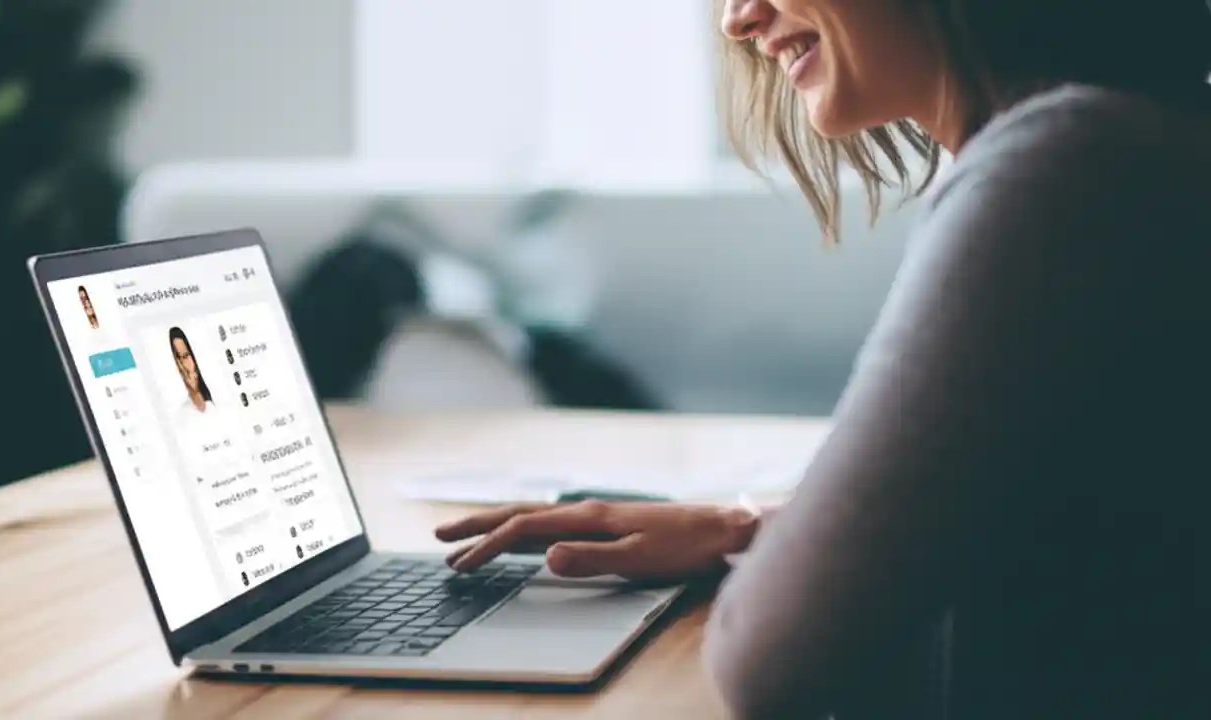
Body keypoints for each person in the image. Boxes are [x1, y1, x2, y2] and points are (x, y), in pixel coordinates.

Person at [434, 1, 1209, 717]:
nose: (739, 18)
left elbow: (767, 661)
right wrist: (747, 529)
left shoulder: (1065, 171)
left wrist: (789, 559)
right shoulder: (1133, 134)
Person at [170, 327, 215, 416]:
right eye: (177, 358)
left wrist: (195, 391)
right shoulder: (182, 413)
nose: (182, 364)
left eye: (185, 356)